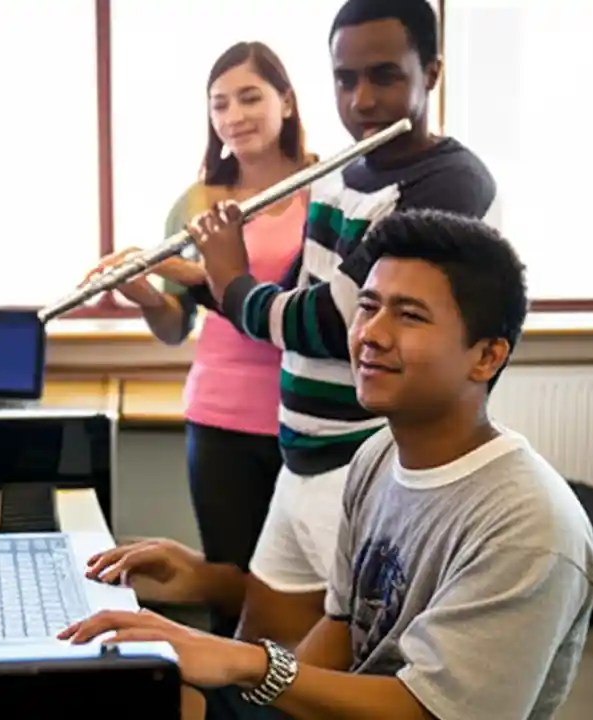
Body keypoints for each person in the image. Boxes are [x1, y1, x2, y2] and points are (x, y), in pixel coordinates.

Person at [62, 209, 593, 720]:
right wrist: (226, 680)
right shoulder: (375, 455)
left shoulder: (529, 525)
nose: (370, 335)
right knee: (148, 691)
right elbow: (344, 628)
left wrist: (247, 662)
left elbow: (430, 711)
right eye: (367, 306)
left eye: (409, 316)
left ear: (487, 356)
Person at [87, 0, 499, 648]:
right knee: (260, 654)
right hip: (299, 452)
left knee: (347, 659)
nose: (362, 99)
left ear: (433, 71)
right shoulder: (344, 175)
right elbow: (294, 294)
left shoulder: (451, 182)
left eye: (385, 76)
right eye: (345, 78)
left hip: (361, 457)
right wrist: (198, 282)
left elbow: (339, 323)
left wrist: (227, 276)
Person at [83, 41, 316, 637]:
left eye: (249, 97)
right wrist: (142, 293)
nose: (234, 116)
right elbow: (174, 325)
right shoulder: (194, 202)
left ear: (285, 102)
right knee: (227, 584)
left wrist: (200, 274)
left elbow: (301, 306)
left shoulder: (326, 188)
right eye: (219, 105)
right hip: (219, 419)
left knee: (308, 591)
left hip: (308, 415)